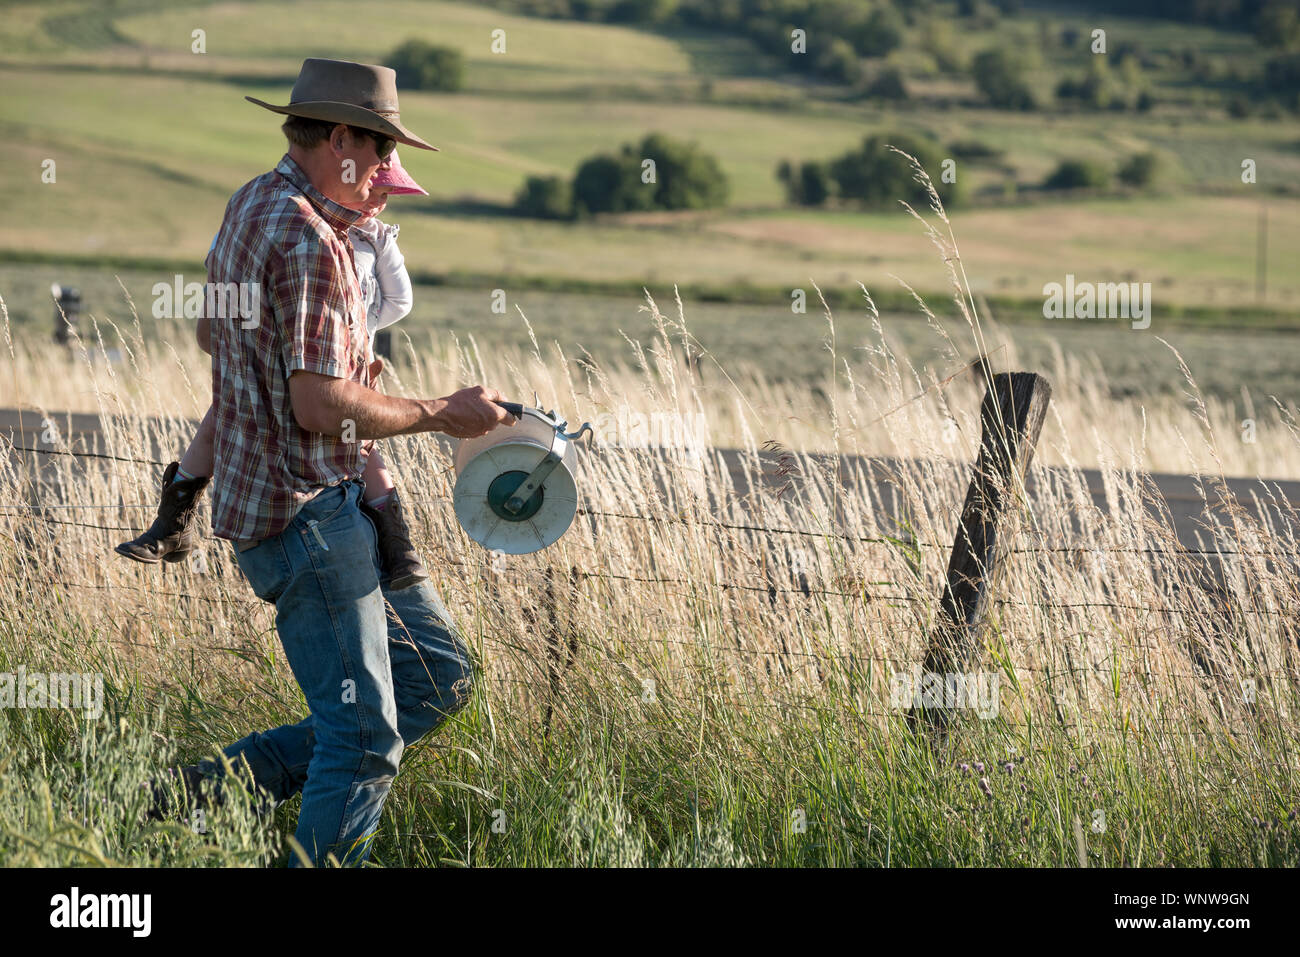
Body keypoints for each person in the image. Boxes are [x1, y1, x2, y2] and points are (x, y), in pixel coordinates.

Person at [148, 58, 516, 867]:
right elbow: (317, 405)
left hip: (297, 508)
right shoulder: (315, 245)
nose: (390, 172)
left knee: (441, 676)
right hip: (307, 513)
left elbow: (218, 342)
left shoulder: (251, 202)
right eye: (382, 149)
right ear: (340, 139)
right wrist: (440, 413)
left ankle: (200, 793)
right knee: (362, 742)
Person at [117, 150, 432, 589]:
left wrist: (362, 320)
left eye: (385, 194)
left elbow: (400, 300)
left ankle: (398, 549)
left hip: (337, 364)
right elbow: (225, 270)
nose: (376, 201)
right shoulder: (292, 227)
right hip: (273, 356)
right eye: (374, 189)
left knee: (363, 447)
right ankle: (174, 520)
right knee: (220, 421)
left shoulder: (372, 241)